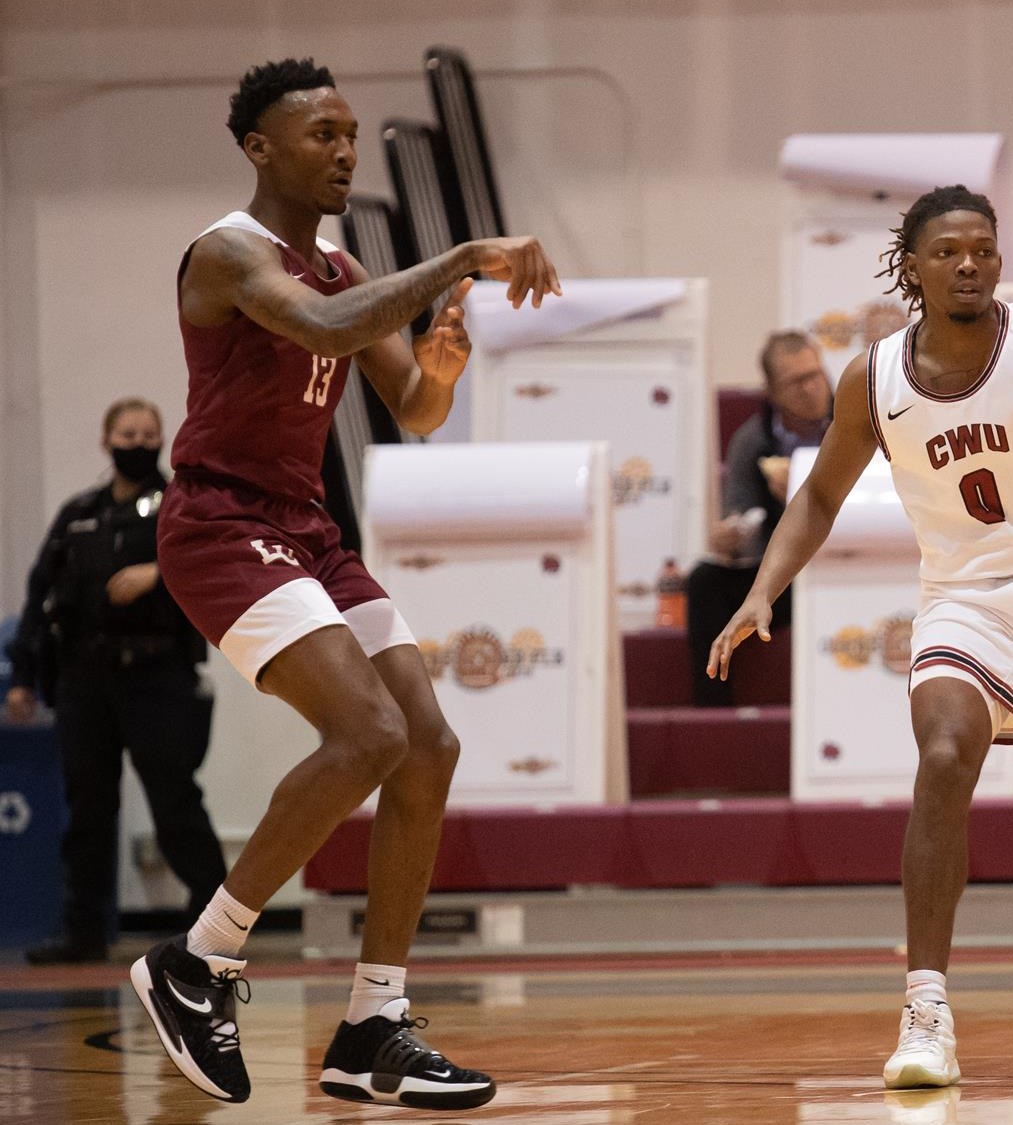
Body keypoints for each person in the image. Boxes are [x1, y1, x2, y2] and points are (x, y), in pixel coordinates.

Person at [128, 58, 561, 1106]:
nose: (343, 150)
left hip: (307, 526)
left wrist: (442, 371)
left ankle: (372, 1024)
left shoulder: (339, 260)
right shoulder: (227, 255)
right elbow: (323, 329)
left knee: (427, 743)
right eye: (320, 133)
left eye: (351, 132)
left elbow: (411, 407)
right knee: (367, 734)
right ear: (260, 147)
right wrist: (462, 253)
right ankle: (200, 960)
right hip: (221, 522)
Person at [708, 184, 1013, 1087]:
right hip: (965, 592)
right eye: (948, 252)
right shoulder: (873, 377)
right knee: (943, 754)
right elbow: (817, 494)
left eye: (983, 248)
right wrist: (761, 590)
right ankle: (926, 1007)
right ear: (915, 267)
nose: (969, 263)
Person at [5, 398, 226, 965]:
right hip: (85, 680)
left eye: (149, 433)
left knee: (175, 801)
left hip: (158, 675)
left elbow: (213, 559)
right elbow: (39, 597)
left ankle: (213, 930)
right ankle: (84, 931)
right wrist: (23, 677)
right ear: (107, 441)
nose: (139, 442)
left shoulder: (180, 503)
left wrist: (157, 572)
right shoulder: (79, 513)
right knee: (88, 807)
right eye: (128, 433)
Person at [685, 331, 832, 706]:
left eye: (816, 375)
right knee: (705, 582)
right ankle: (714, 710)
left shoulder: (853, 426)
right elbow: (742, 516)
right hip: (784, 574)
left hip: (844, 559)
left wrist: (808, 499)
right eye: (796, 382)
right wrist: (731, 536)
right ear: (772, 391)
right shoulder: (752, 442)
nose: (811, 388)